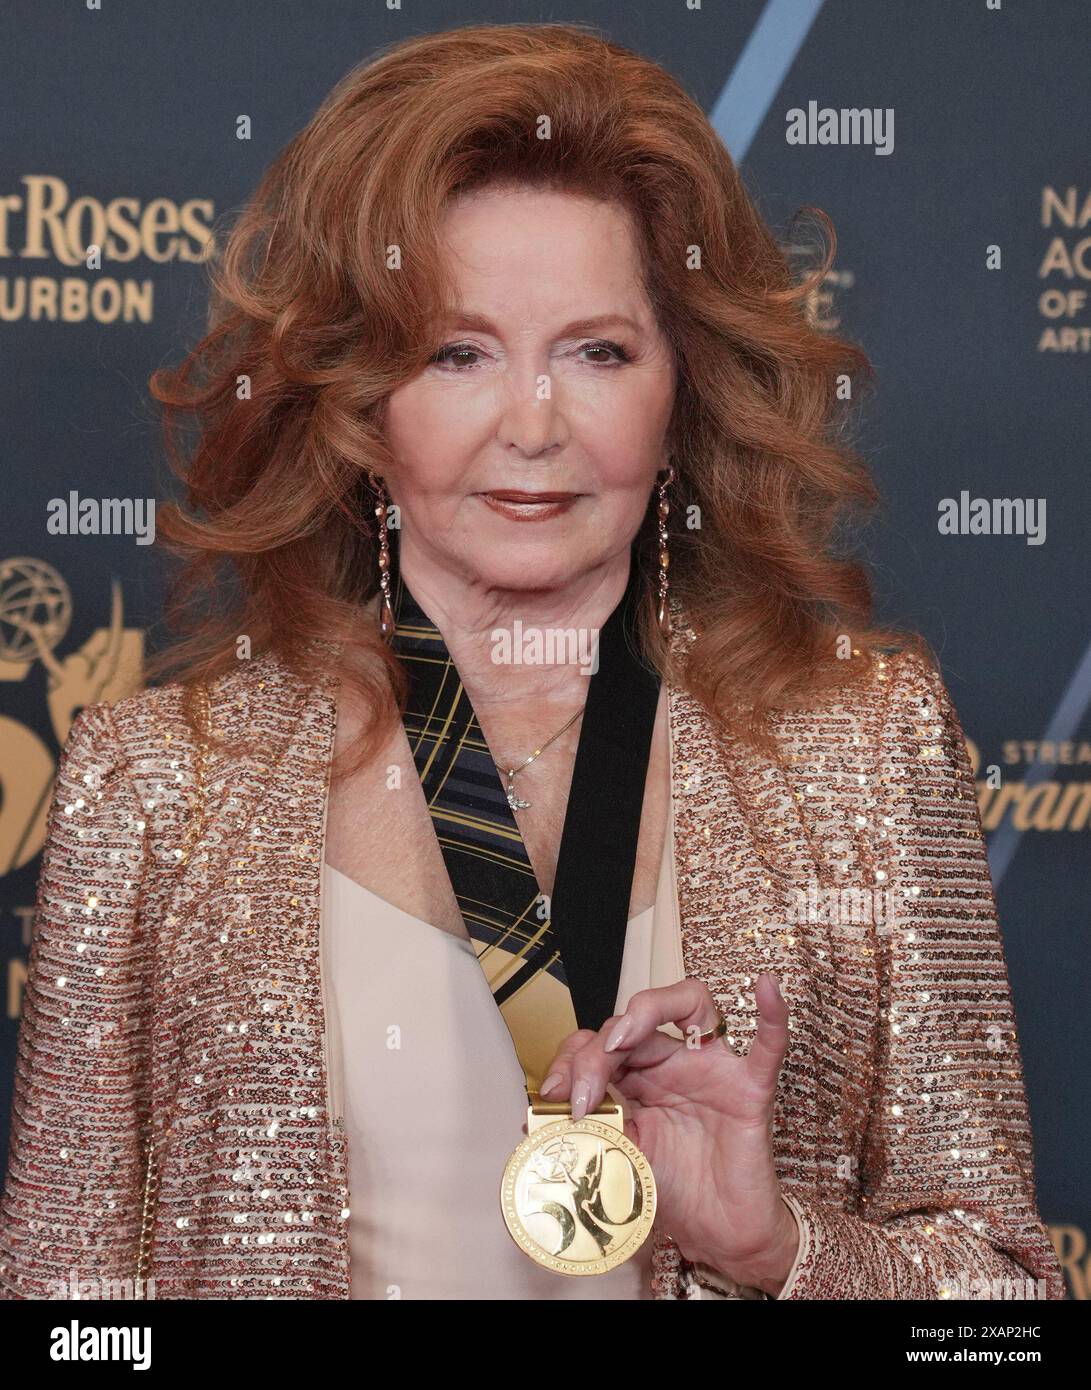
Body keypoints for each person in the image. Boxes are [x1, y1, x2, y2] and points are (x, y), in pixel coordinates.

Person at [0, 21, 1065, 1301]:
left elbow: (1002, 1319)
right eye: (457, 352)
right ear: (356, 402)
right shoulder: (154, 786)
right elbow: (66, 1324)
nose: (533, 423)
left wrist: (774, 1248)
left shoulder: (864, 744)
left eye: (596, 350)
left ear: (683, 388)